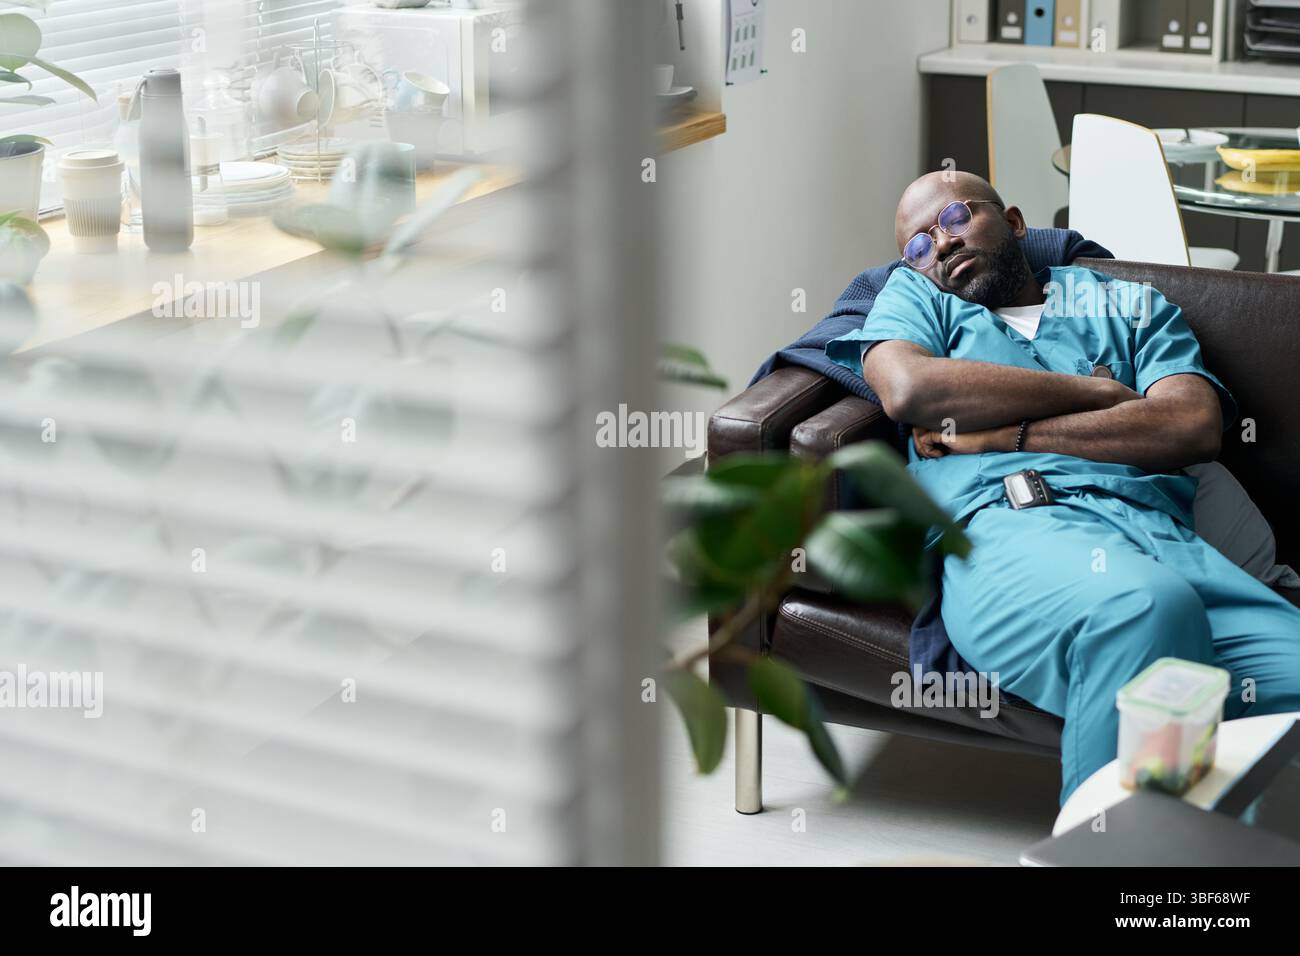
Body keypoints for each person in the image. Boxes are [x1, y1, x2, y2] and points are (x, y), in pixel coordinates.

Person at [825, 170, 1300, 805]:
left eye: (957, 217)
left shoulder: (1128, 304)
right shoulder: (918, 301)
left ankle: (1197, 893)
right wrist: (1098, 392)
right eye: (917, 243)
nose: (938, 244)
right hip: (1012, 525)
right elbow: (912, 389)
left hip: (1159, 533)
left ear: (1016, 221)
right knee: (1143, 610)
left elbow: (1191, 425)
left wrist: (1001, 434)